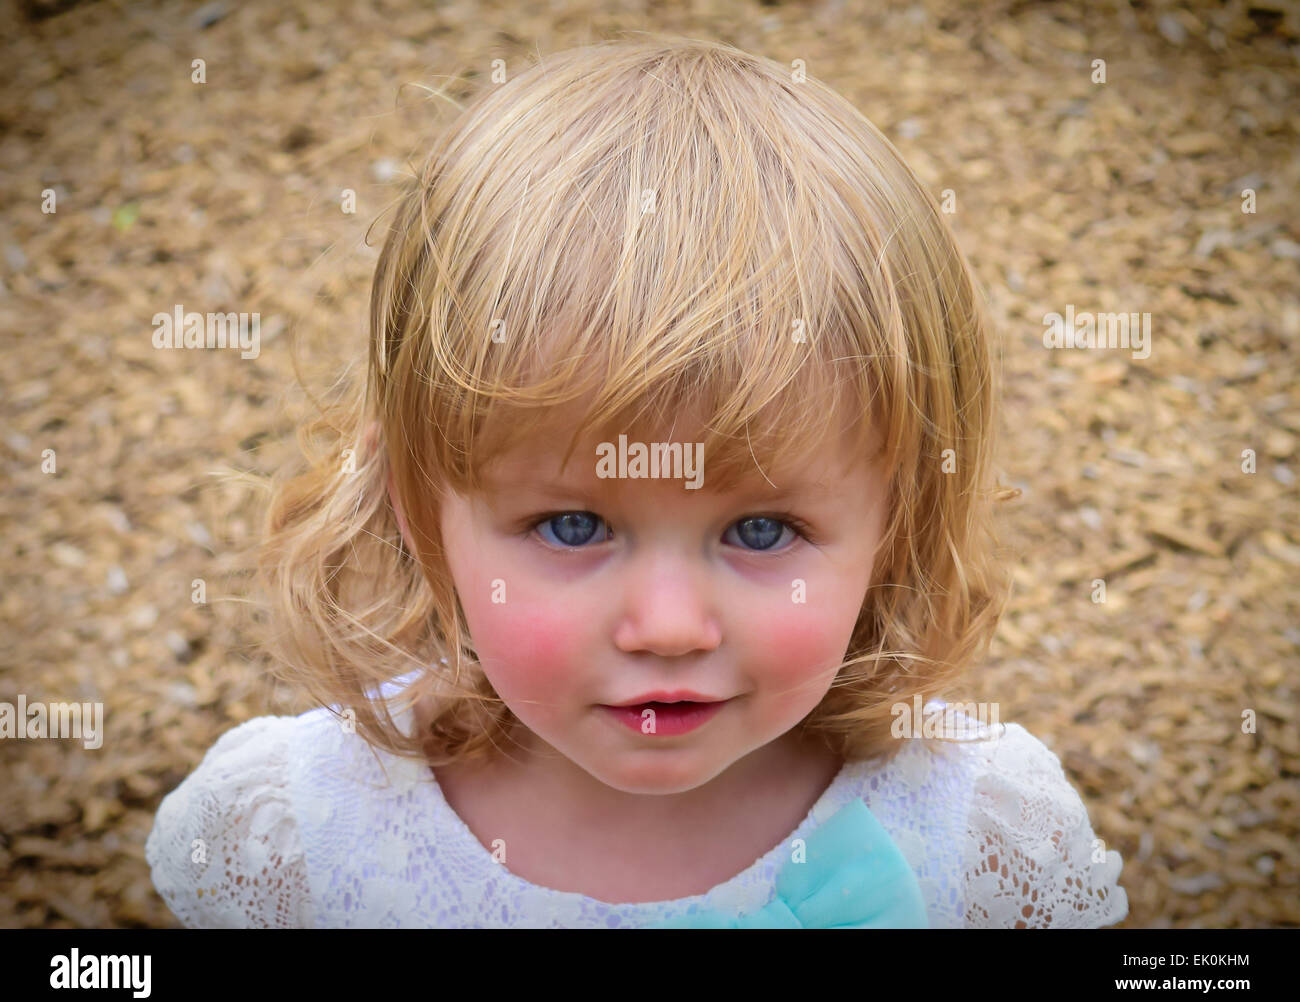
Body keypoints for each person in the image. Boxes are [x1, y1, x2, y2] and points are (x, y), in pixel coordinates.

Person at [146, 35, 1128, 928]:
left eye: (759, 531)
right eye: (572, 525)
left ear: (895, 526)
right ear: (420, 511)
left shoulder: (973, 835)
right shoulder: (302, 835)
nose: (666, 625)